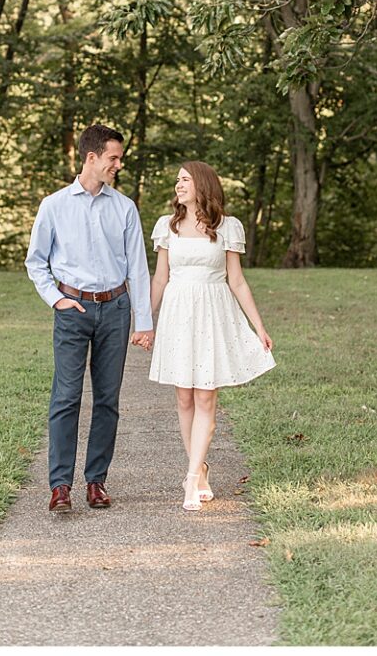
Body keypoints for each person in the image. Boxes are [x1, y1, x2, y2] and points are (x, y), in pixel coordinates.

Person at [25, 123, 154, 514]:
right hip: (73, 310)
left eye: (119, 157)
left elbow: (138, 268)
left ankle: (96, 482)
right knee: (66, 397)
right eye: (113, 157)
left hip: (115, 309)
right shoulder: (55, 205)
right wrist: (56, 300)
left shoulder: (124, 207)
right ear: (91, 157)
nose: (119, 164)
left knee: (108, 399)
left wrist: (143, 321)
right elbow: (36, 262)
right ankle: (60, 486)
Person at [148, 161, 275, 511]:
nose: (178, 185)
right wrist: (144, 321)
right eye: (177, 180)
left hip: (212, 314)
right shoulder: (168, 226)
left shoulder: (228, 227)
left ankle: (191, 478)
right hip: (178, 313)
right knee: (184, 399)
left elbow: (236, 281)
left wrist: (258, 327)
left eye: (185, 179)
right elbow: (160, 279)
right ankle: (199, 468)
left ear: (203, 184)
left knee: (205, 397)